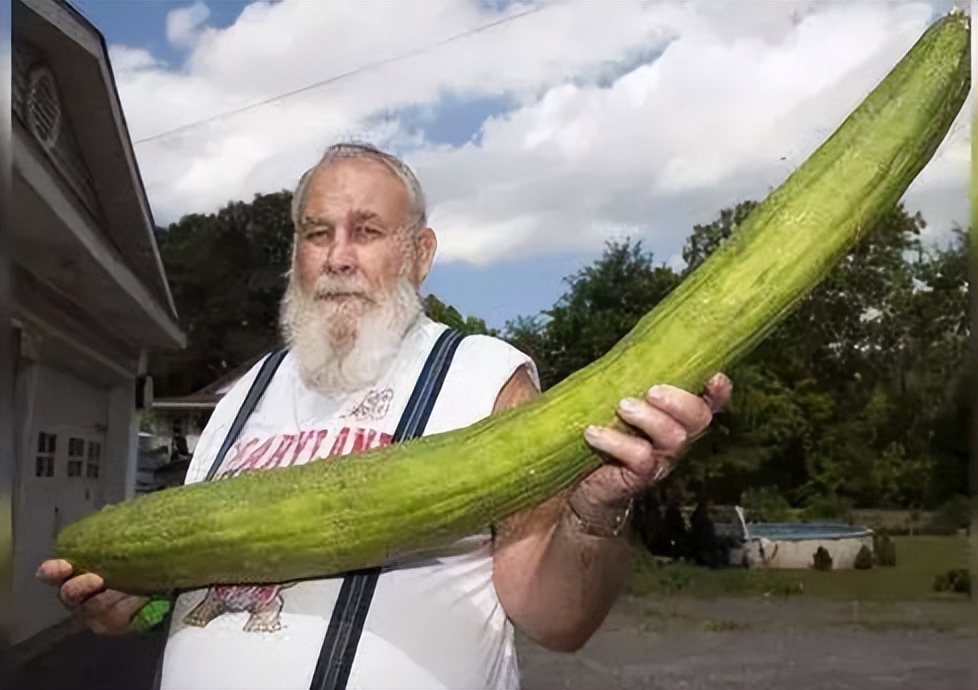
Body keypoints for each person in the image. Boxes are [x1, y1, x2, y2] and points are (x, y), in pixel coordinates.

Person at [37, 142, 731, 689]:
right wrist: (138, 603)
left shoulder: (484, 376)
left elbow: (558, 619)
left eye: (366, 231)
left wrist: (598, 509)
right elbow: (195, 572)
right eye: (317, 233)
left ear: (418, 255)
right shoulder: (241, 397)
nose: (338, 257)